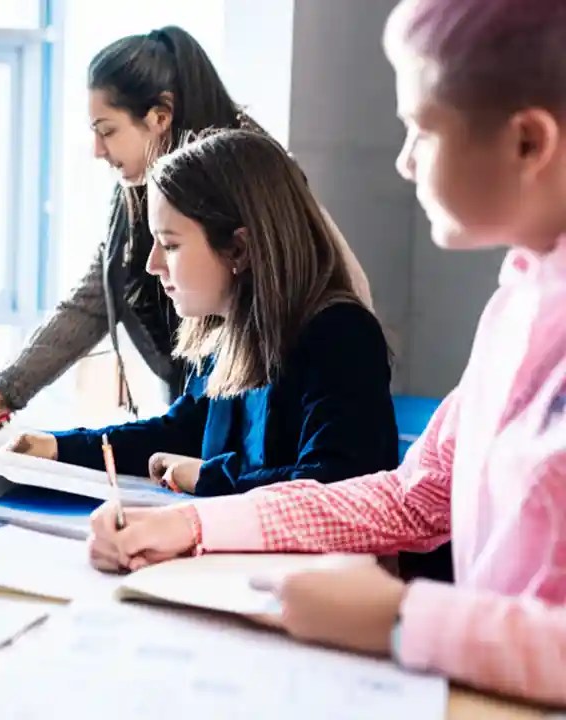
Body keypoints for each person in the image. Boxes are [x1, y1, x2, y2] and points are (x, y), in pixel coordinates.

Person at [88, 0, 566, 707]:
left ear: (528, 143)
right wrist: (193, 523)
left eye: (420, 131)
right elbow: (413, 495)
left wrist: (401, 619)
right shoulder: (517, 302)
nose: (402, 162)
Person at [0, 26, 373, 426]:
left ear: (160, 117)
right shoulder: (137, 189)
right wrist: (7, 390)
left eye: (108, 131)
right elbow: (96, 296)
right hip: (208, 402)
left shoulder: (250, 175)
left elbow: (333, 291)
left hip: (273, 405)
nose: (98, 151)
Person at [6, 130, 398, 497]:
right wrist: (59, 446)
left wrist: (208, 477)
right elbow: (182, 432)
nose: (152, 265)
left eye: (170, 245)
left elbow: (337, 486)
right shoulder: (228, 335)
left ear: (239, 250)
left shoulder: (341, 335)